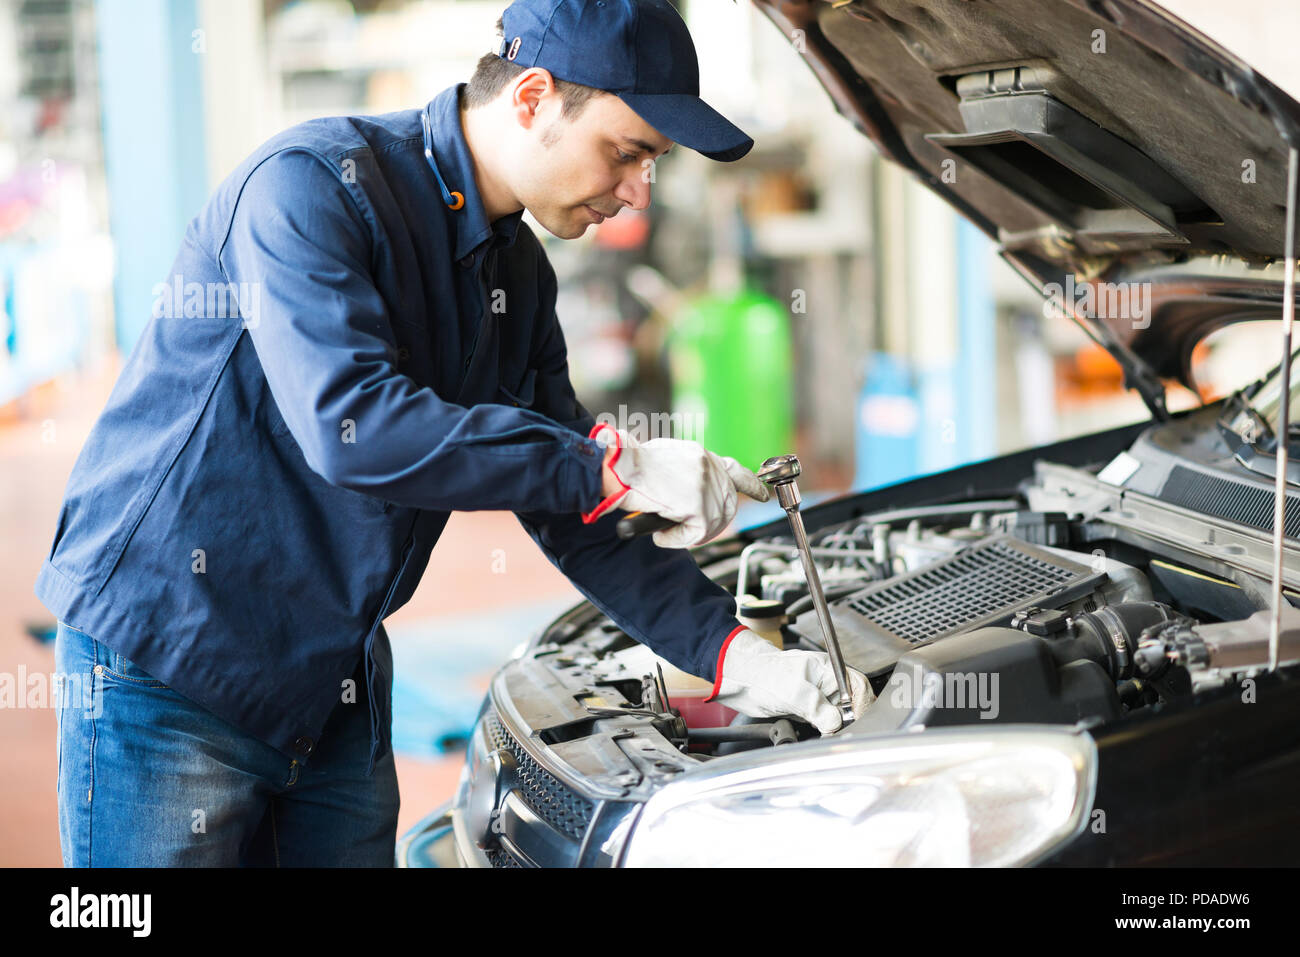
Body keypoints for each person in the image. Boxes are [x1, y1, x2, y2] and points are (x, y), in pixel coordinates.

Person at [39, 0, 869, 867]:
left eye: (651, 165)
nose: (636, 192)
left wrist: (737, 655)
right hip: (170, 662)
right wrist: (611, 466)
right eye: (626, 152)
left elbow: (578, 514)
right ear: (534, 99)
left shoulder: (519, 278)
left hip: (334, 678)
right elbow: (353, 427)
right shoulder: (308, 188)